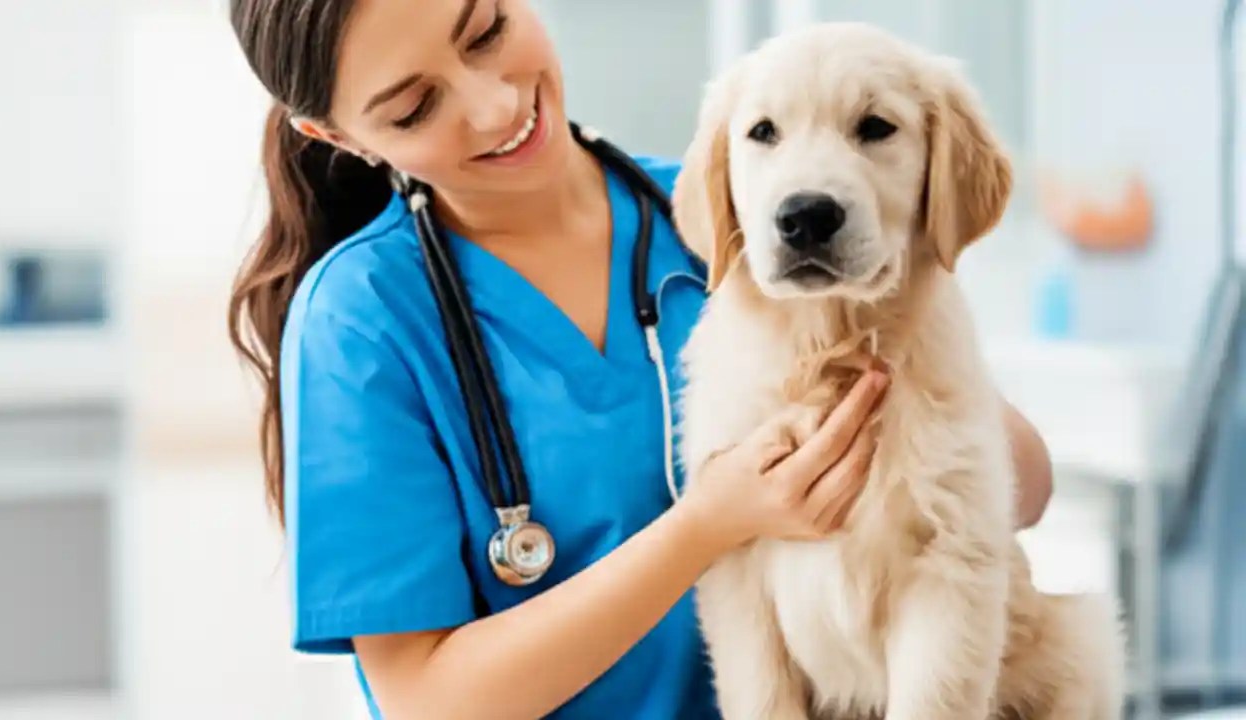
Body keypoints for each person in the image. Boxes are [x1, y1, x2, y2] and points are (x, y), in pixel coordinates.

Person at [225, 1, 1055, 718]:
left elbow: (1023, 486)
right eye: (413, 108)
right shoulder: (363, 322)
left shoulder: (731, 213)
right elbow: (428, 702)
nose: (492, 103)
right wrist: (710, 525)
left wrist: (920, 396)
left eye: (485, 32)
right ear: (335, 135)